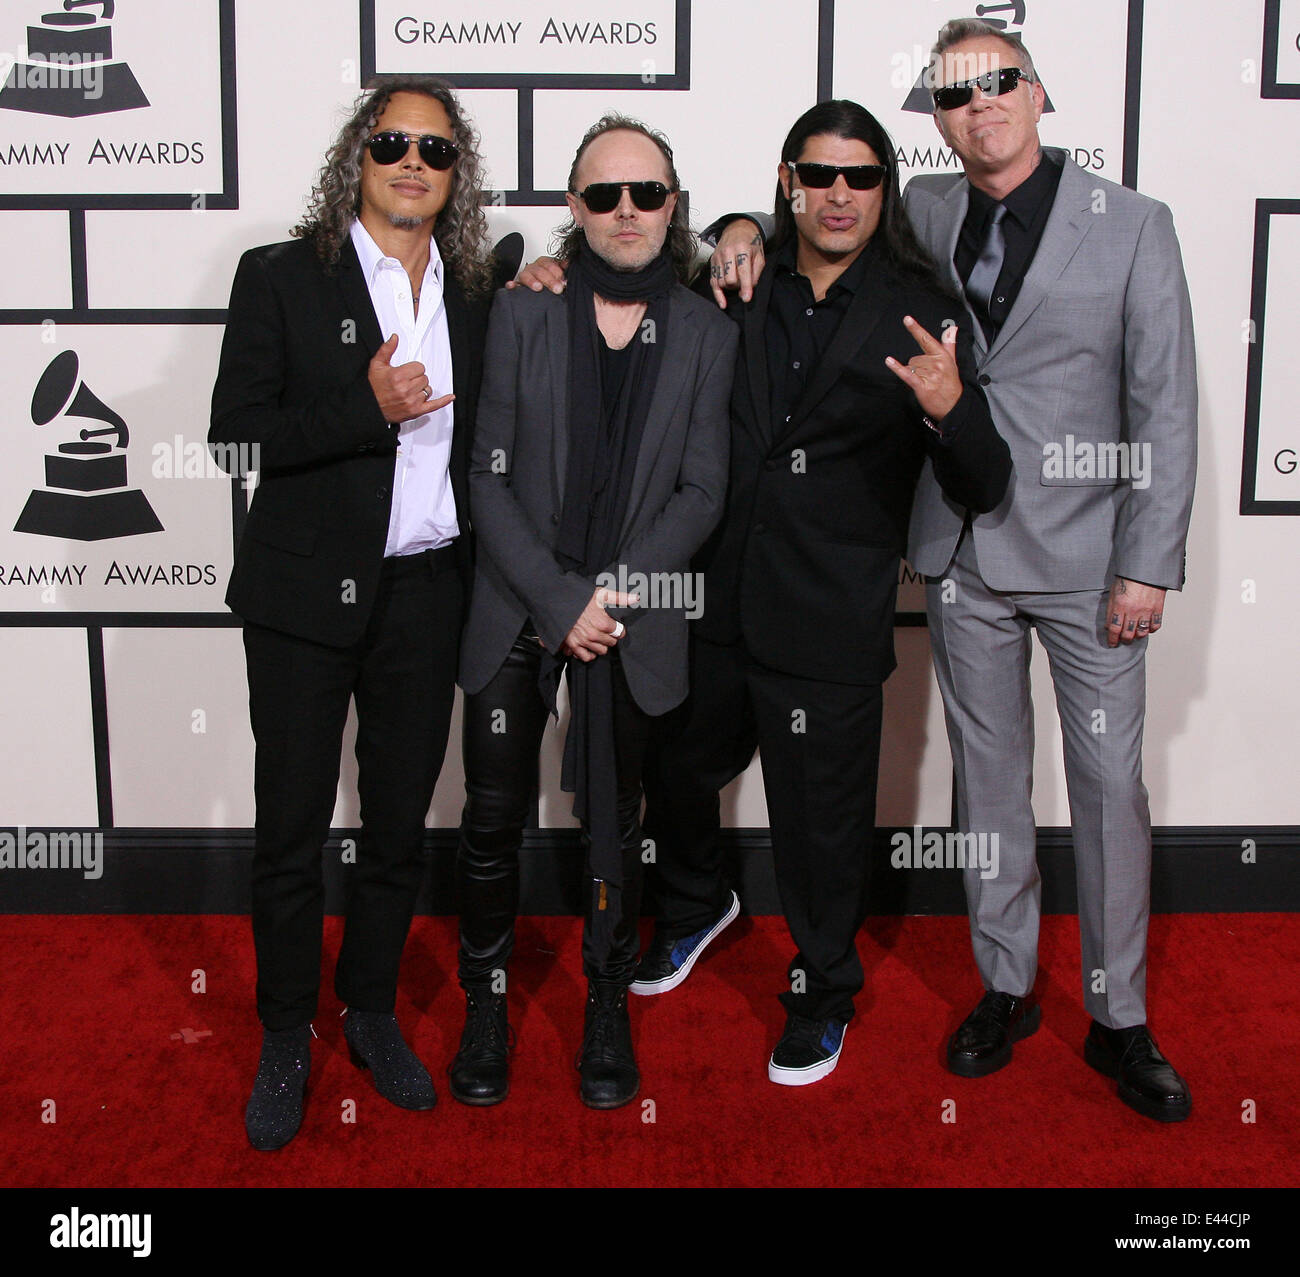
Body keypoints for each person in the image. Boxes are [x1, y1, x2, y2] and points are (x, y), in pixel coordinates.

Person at [708, 19, 1198, 1120]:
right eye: (954, 94)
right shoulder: (918, 208)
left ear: (1039, 93)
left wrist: (1147, 563)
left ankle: (1119, 1018)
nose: (979, 106)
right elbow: (811, 229)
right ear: (935, 117)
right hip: (961, 552)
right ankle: (1007, 984)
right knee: (986, 788)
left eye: (998, 84)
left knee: (1109, 787)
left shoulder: (1132, 226)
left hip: (1089, 564)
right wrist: (737, 224)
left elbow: (1164, 401)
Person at [629, 99, 1007, 1087]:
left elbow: (986, 479)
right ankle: (694, 902)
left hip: (827, 612)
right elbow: (619, 256)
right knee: (669, 760)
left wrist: (951, 408)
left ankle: (823, 989)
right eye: (818, 174)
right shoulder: (738, 277)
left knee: (818, 826)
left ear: (885, 190)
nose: (840, 194)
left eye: (861, 177)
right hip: (712, 589)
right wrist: (728, 228)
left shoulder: (921, 307)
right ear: (789, 182)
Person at [210, 75, 508, 1150]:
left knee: (395, 826)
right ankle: (286, 1029)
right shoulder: (284, 277)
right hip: (300, 596)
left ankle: (371, 1009)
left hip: (427, 590)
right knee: (290, 830)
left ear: (454, 169)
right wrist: (363, 409)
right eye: (392, 143)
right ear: (359, 156)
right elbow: (234, 434)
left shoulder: (477, 288)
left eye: (433, 147)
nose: (412, 162)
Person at [449, 114, 736, 1110]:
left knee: (615, 827)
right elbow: (484, 478)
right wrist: (558, 597)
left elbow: (702, 492)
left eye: (646, 194)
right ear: (574, 206)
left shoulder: (705, 331)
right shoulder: (522, 311)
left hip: (627, 615)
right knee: (489, 819)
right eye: (604, 194)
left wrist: (604, 598)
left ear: (672, 207)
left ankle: (605, 1003)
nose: (626, 211)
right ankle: (486, 1003)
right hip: (517, 601)